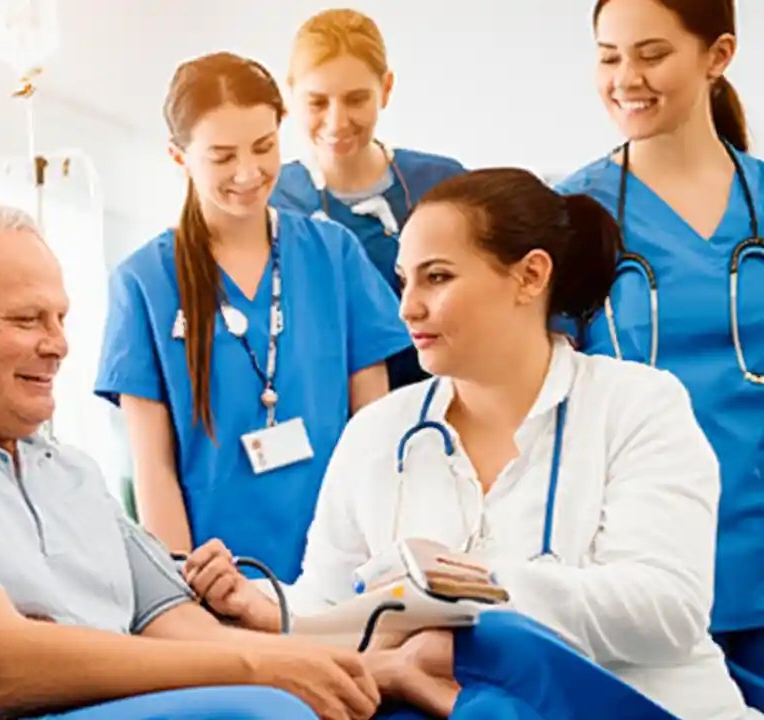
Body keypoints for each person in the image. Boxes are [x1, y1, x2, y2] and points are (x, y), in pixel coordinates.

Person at [0, 200, 476, 720]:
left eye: (61, 318)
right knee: (269, 710)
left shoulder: (67, 470)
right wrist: (262, 671)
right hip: (50, 712)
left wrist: (362, 670)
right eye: (25, 320)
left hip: (149, 698)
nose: (58, 345)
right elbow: (4, 668)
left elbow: (180, 628)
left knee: (439, 680)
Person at [181, 168, 755, 719]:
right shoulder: (379, 432)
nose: (408, 307)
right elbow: (332, 606)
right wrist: (262, 606)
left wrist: (464, 591)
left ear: (530, 276)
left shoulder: (637, 404)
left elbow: (664, 609)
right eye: (404, 281)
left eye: (437, 277)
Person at [94, 52, 410, 584]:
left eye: (264, 147)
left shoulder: (334, 254)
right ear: (179, 157)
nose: (248, 172)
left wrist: (375, 566)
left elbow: (372, 433)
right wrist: (185, 592)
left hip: (343, 566)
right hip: (218, 576)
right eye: (221, 156)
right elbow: (154, 468)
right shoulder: (144, 281)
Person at [556, 0, 764, 708]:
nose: (625, 78)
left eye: (650, 54)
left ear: (719, 55)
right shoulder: (570, 216)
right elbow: (542, 394)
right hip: (639, 559)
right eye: (609, 56)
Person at [270, 8, 467, 390]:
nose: (337, 121)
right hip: (328, 414)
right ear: (289, 97)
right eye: (317, 102)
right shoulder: (276, 201)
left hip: (444, 407)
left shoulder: (444, 185)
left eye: (356, 99)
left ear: (387, 89)